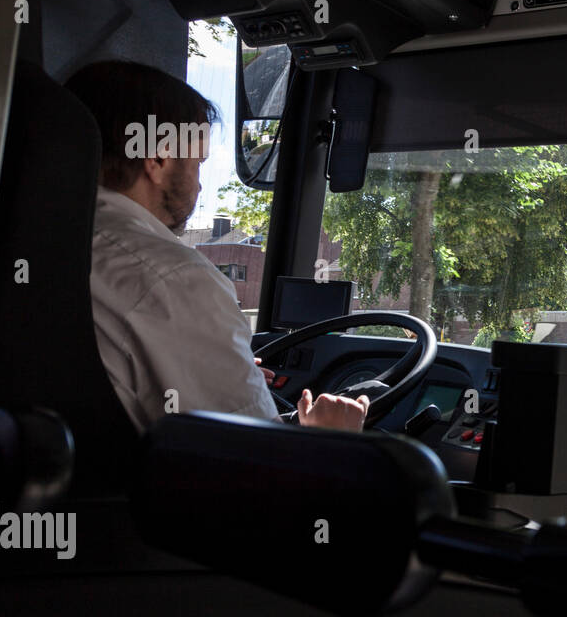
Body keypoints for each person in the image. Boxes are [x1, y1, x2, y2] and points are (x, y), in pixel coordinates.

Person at [66, 60, 368, 433]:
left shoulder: (29, 245)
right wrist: (330, 439)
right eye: (198, 162)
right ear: (158, 158)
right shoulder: (174, 280)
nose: (200, 184)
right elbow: (261, 471)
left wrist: (223, 368)